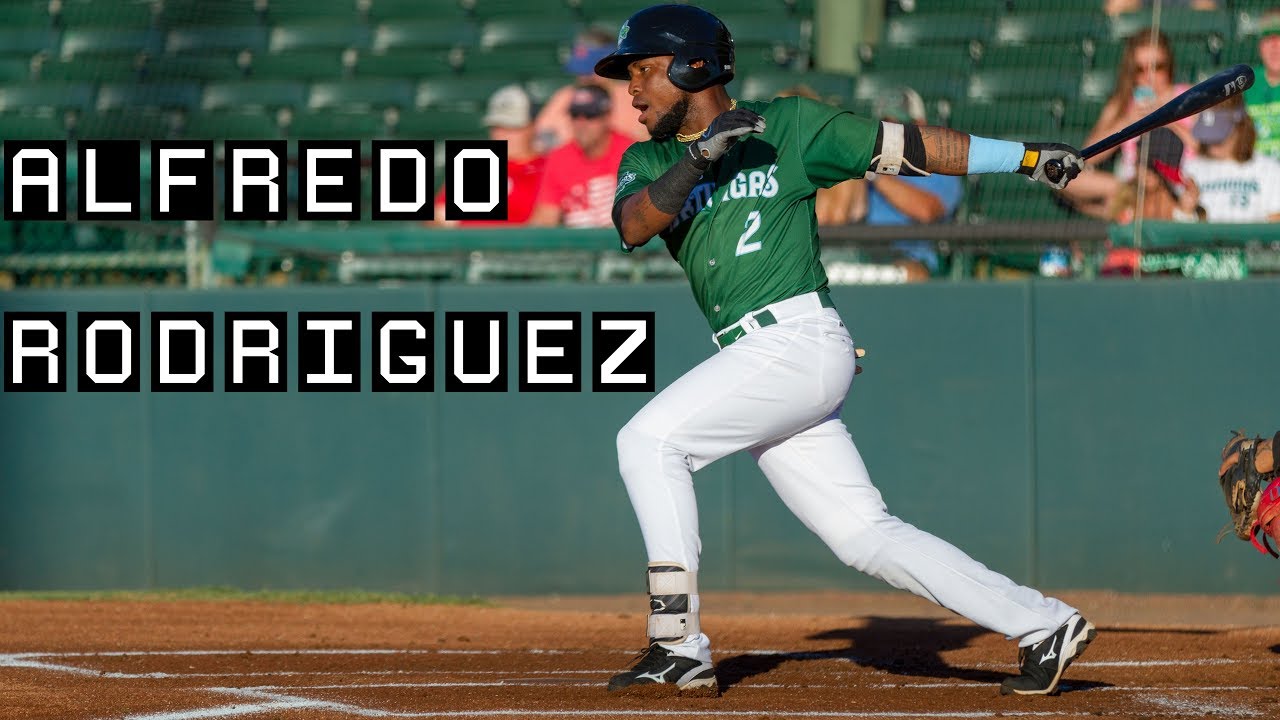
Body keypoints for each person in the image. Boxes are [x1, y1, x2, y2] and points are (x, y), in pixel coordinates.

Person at [595, 3, 1094, 699]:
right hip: (763, 354)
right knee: (864, 535)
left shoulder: (790, 126)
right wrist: (699, 155)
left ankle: (677, 641)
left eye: (645, 71)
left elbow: (909, 146)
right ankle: (1044, 624)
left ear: (692, 67)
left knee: (647, 442)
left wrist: (1026, 157)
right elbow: (633, 224)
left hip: (795, 338)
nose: (633, 90)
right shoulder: (648, 158)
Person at [1060, 28, 1196, 219]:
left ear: (1170, 66)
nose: (1149, 77)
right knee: (1062, 174)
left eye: (1157, 67)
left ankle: (1117, 213)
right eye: (1140, 69)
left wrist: (1167, 119)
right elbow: (1087, 155)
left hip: (1178, 186)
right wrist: (1127, 122)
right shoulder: (1122, 104)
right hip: (1132, 187)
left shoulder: (1188, 97)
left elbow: (1204, 151)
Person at [846, 87, 964, 281]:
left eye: (900, 126)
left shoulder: (941, 167)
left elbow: (927, 211)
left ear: (920, 125)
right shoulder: (866, 164)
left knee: (905, 275)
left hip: (908, 256)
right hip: (858, 252)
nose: (892, 135)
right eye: (885, 127)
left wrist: (874, 175)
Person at [431, 84, 544, 227]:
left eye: (513, 127)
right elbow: (438, 218)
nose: (502, 135)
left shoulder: (547, 169)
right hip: (467, 246)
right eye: (497, 127)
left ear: (532, 126)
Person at [527, 84, 633, 228]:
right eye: (575, 115)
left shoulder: (632, 153)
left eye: (590, 115)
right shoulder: (559, 158)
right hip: (575, 247)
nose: (581, 124)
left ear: (607, 116)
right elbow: (545, 219)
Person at [532, 26, 649, 153]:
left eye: (590, 72)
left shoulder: (633, 96)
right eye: (580, 71)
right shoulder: (565, 97)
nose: (584, 78)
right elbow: (540, 143)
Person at [1182, 97, 1280, 222]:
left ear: (1240, 128)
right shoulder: (1191, 169)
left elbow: (1274, 227)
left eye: (1218, 134)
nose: (1211, 142)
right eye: (1208, 133)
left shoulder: (1269, 170)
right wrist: (1184, 211)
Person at [1244, 10, 1280, 162]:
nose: (1274, 46)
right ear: (1260, 46)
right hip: (1254, 176)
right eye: (1268, 38)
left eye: (1279, 37)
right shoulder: (1245, 84)